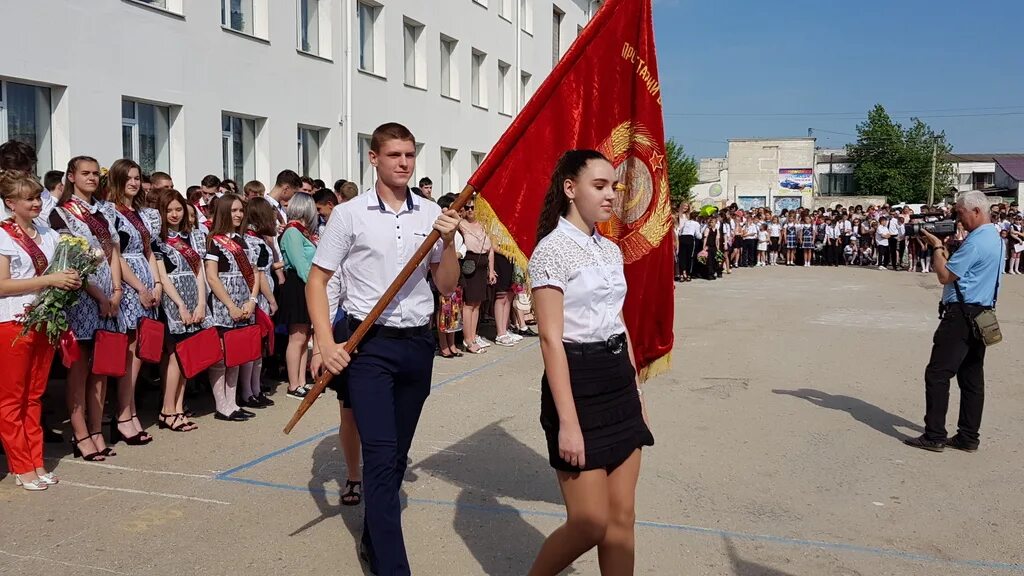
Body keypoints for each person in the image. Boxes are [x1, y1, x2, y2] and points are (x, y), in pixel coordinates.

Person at [306, 122, 460, 576]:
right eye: (394, 155)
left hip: (416, 344)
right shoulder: (349, 214)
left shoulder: (431, 213)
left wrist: (449, 242)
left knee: (394, 458)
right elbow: (318, 280)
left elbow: (446, 285)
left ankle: (374, 537)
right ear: (373, 157)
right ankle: (393, 567)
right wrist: (325, 342)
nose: (403, 163)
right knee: (378, 451)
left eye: (410, 155)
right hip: (367, 345)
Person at [527, 150, 653, 576]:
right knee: (589, 522)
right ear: (570, 188)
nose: (611, 196)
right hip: (576, 383)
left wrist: (636, 389)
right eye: (600, 186)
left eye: (613, 187)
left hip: (617, 381)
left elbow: (618, 321)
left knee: (621, 521)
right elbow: (550, 339)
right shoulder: (550, 251)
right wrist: (568, 421)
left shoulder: (610, 249)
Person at [905, 191, 1003, 453]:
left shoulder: (976, 242)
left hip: (960, 314)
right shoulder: (994, 237)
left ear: (977, 212)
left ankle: (934, 434)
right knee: (971, 377)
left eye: (960, 213)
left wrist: (937, 246)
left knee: (938, 373)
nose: (957, 219)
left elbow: (945, 275)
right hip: (981, 313)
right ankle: (968, 436)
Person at [0, 170, 79, 490]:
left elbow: (60, 268)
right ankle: (21, 466)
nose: (36, 203)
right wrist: (50, 280)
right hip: (12, 322)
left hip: (46, 319)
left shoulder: (48, 232)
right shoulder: (3, 236)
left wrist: (72, 276)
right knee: (11, 399)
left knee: (34, 396)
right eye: (29, 198)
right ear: (10, 203)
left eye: (37, 197)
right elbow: (3, 285)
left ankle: (36, 460)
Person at [49, 156, 123, 460]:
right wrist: (100, 296)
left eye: (95, 173)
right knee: (79, 372)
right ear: (71, 176)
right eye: (85, 173)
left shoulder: (102, 213)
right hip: (81, 298)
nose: (92, 178)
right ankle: (80, 434)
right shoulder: (62, 214)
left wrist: (117, 291)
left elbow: (113, 254)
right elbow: (70, 260)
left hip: (109, 297)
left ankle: (97, 429)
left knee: (101, 369)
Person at [105, 159, 161, 446]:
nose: (134, 183)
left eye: (137, 178)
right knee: (129, 352)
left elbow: (149, 250)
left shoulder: (140, 213)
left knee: (140, 350)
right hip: (126, 283)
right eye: (128, 178)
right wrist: (139, 286)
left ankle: (129, 411)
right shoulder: (109, 211)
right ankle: (123, 414)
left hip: (147, 281)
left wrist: (157, 283)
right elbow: (116, 254)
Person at [154, 189, 209, 432]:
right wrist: (181, 305)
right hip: (172, 300)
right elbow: (163, 278)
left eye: (178, 209)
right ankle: (167, 409)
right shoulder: (157, 240)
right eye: (169, 210)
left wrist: (200, 303)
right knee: (175, 355)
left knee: (187, 355)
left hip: (193, 297)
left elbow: (200, 272)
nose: (174, 214)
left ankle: (178, 405)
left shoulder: (193, 237)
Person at [204, 195, 261, 422]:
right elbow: (212, 276)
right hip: (223, 304)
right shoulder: (214, 241)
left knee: (237, 354)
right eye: (233, 210)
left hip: (245, 301)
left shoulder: (245, 240)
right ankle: (222, 404)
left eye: (240, 210)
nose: (238, 215)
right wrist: (230, 305)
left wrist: (252, 300)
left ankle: (233, 402)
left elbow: (255, 273)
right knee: (221, 356)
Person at [278, 193, 319, 399]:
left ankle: (301, 381)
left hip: (305, 284)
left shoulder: (303, 233)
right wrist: (314, 286)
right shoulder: (293, 232)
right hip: (298, 285)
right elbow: (299, 264)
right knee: (297, 337)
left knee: (304, 337)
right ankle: (294, 384)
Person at [239, 198, 278, 409]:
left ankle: (254, 388)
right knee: (254, 347)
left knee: (258, 348)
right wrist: (271, 299)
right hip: (259, 298)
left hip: (258, 297)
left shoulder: (253, 239)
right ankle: (249, 391)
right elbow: (260, 275)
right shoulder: (255, 241)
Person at [457, 196, 494, 354]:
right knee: (468, 304)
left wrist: (491, 270)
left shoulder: (484, 225)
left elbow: (490, 249)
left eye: (473, 207)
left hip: (482, 264)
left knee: (478, 303)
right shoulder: (461, 225)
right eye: (467, 208)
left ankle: (473, 336)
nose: (470, 210)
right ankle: (467, 339)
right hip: (469, 264)